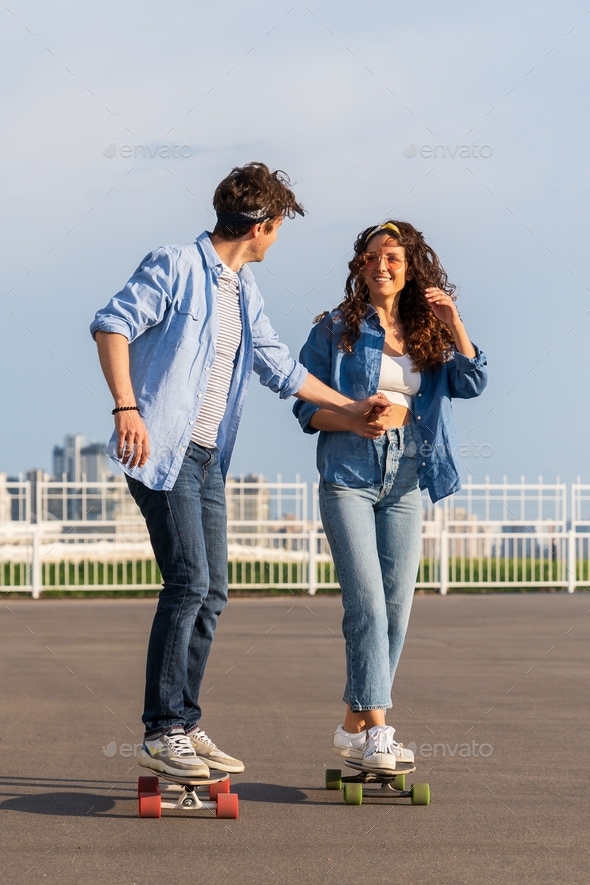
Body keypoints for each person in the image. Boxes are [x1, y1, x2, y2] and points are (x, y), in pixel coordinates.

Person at [90, 163, 391, 780]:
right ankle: (161, 729)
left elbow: (280, 367)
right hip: (164, 449)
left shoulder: (241, 291)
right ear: (263, 225)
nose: (276, 238)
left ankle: (184, 721)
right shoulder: (174, 265)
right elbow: (112, 324)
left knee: (213, 591)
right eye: (278, 227)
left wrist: (351, 408)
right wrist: (127, 407)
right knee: (189, 582)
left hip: (207, 459)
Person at [294, 220, 487, 772]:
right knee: (368, 604)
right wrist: (353, 420)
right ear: (359, 266)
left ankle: (353, 726)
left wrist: (454, 322)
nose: (382, 265)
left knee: (397, 606)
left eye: (394, 257)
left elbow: (471, 382)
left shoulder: (428, 329)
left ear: (410, 266)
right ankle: (379, 730)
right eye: (373, 256)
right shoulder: (337, 328)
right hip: (349, 470)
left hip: (408, 472)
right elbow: (305, 407)